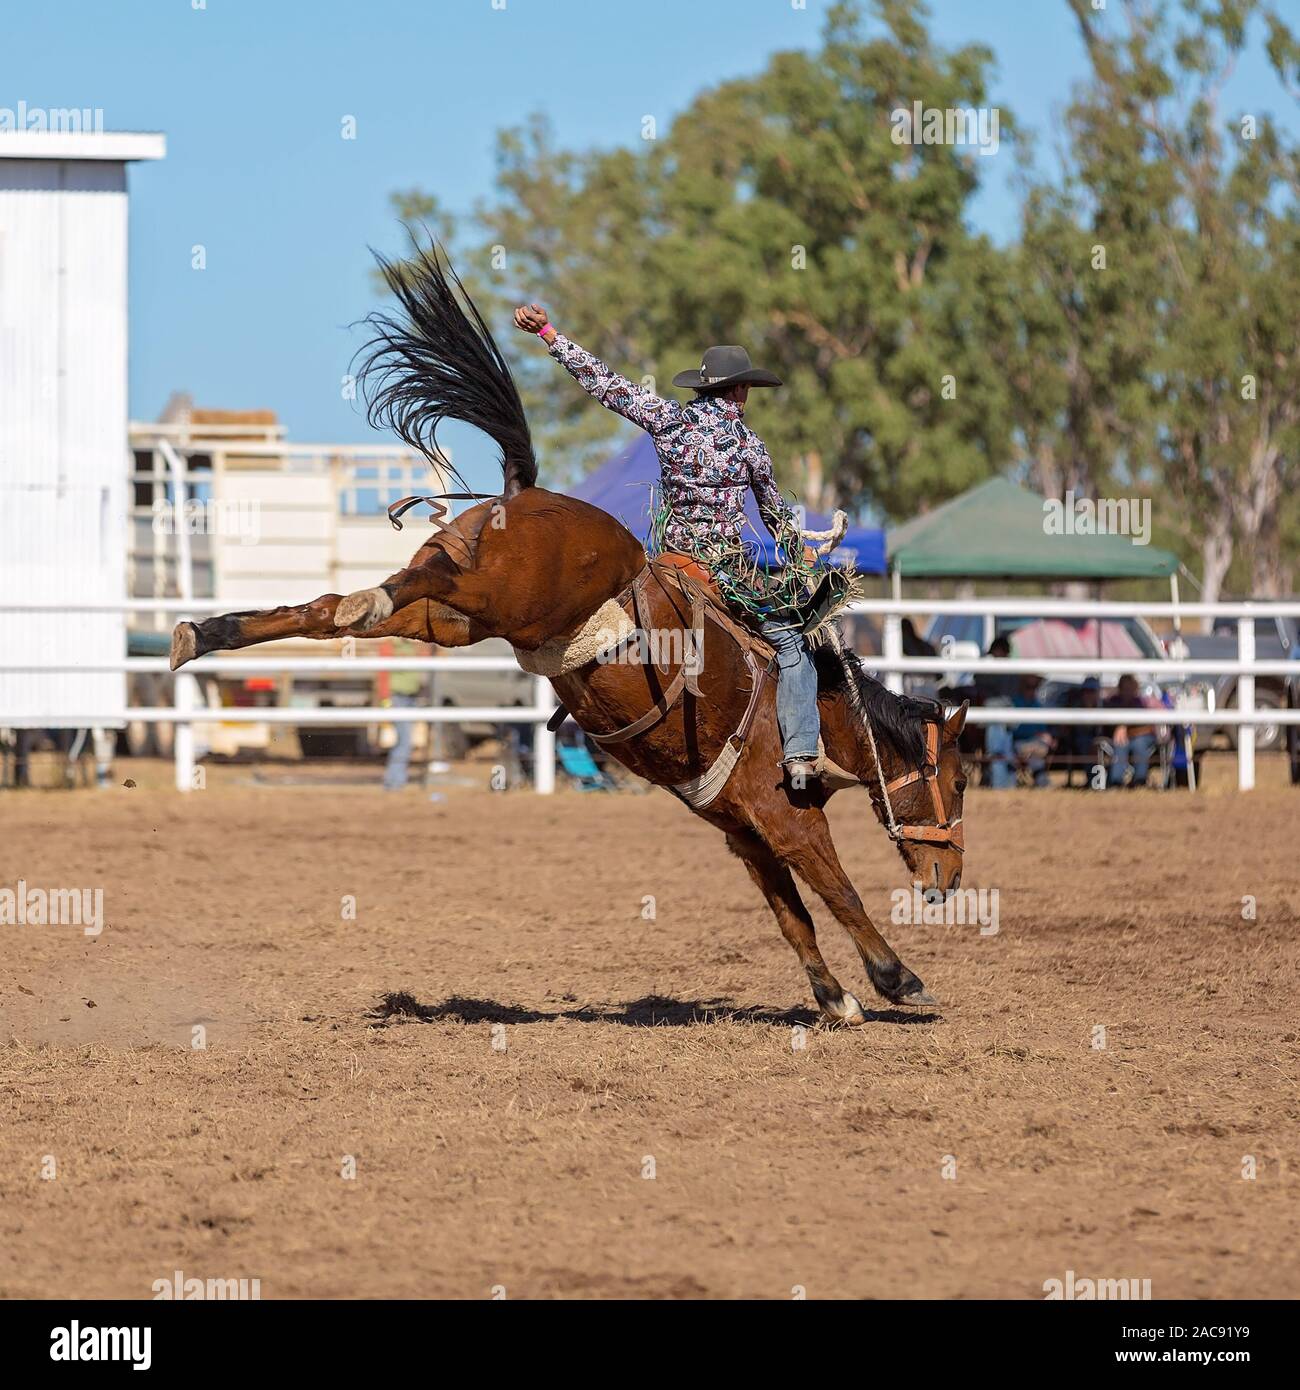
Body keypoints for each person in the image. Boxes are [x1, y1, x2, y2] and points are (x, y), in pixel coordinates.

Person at [515, 303, 828, 783]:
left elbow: (608, 385)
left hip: (669, 565)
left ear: (705, 388)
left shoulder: (671, 421)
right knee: (791, 646)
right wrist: (798, 552)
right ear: (741, 390)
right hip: (726, 574)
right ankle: (801, 755)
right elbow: (772, 514)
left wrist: (551, 335)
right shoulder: (749, 445)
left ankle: (575, 681)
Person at [382, 637, 427, 791]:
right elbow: (383, 673)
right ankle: (395, 781)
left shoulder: (412, 646)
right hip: (397, 697)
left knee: (403, 740)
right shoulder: (391, 646)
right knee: (405, 740)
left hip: (411, 696)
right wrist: (385, 699)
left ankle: (393, 780)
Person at [1106, 674, 1160, 788]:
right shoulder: (1112, 702)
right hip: (1120, 738)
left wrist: (1125, 728)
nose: (1128, 692)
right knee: (1121, 743)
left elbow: (1149, 727)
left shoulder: (1141, 703)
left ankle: (1140, 780)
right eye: (1125, 688)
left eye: (1131, 688)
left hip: (1142, 736)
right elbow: (1107, 724)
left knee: (1138, 743)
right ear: (1120, 689)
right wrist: (1120, 727)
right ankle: (1116, 781)